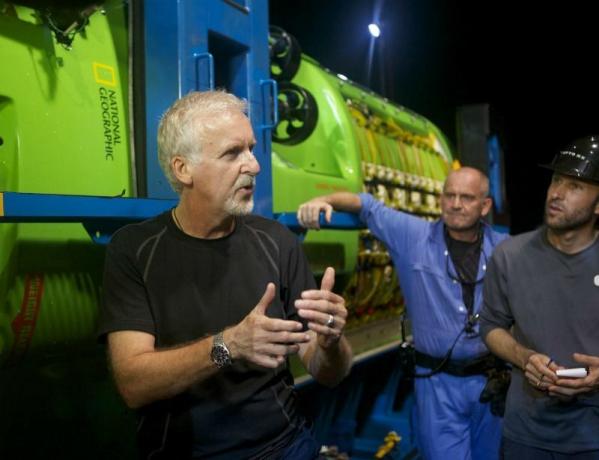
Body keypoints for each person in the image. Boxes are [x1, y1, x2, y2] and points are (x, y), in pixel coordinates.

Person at [98, 90, 353, 460]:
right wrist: (229, 345)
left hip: (285, 447)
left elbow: (329, 373)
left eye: (251, 149)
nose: (254, 166)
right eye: (233, 153)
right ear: (183, 169)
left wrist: (332, 343)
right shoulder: (134, 250)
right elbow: (132, 384)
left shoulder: (278, 244)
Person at [297, 167, 508, 460]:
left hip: (491, 382)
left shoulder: (504, 250)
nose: (456, 203)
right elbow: (367, 205)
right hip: (436, 385)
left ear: (485, 205)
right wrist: (324, 201)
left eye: (467, 198)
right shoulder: (413, 237)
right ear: (441, 199)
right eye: (450, 195)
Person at [480, 135, 599, 459]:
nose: (557, 193)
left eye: (575, 186)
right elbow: (490, 326)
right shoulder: (509, 256)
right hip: (526, 435)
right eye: (556, 181)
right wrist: (523, 357)